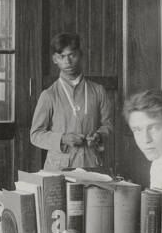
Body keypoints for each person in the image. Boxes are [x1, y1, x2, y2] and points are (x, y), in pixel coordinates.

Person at [29, 33, 112, 171]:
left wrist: (99, 135)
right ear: (55, 59)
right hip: (58, 169)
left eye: (72, 55)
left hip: (91, 166)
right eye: (62, 56)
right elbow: (35, 135)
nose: (67, 61)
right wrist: (62, 139)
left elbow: (108, 125)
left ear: (80, 55)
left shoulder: (98, 91)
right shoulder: (49, 95)